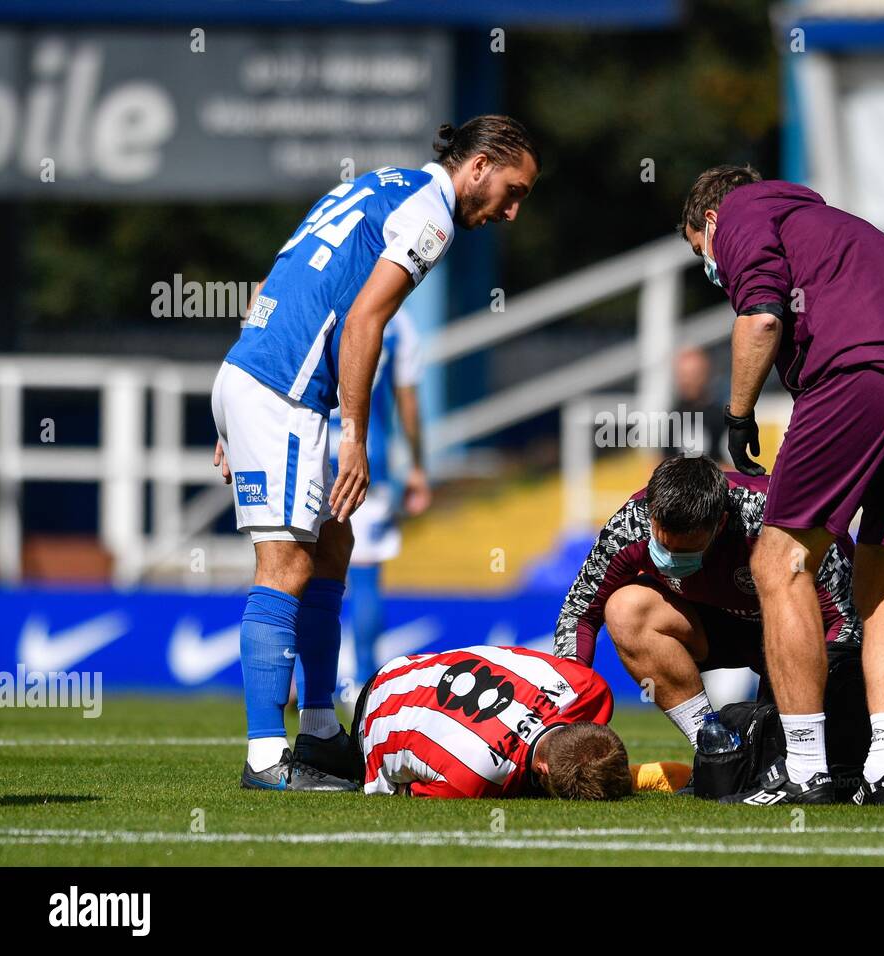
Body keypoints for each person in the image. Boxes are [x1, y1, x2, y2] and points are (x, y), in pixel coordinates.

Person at [210, 116, 540, 791]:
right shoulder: (432, 216)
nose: (510, 210)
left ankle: (322, 730)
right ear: (477, 167)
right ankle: (267, 757)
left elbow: (284, 274)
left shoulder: (374, 186)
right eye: (513, 190)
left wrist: (237, 397)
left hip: (263, 380)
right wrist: (356, 437)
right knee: (285, 563)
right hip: (283, 392)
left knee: (333, 544)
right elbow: (365, 321)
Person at [678, 165, 884, 805]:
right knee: (882, 581)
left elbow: (761, 318)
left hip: (861, 375)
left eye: (702, 252)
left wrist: (737, 412)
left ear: (712, 221)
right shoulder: (837, 227)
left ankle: (805, 768)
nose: (712, 265)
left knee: (779, 561)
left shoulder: (745, 211)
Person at [553, 454, 861, 753]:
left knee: (779, 747)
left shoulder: (777, 520)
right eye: (663, 541)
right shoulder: (630, 525)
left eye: (688, 549)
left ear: (721, 523)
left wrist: (815, 698)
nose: (672, 557)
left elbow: (847, 616)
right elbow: (579, 611)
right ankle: (714, 746)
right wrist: (566, 706)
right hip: (711, 631)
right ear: (651, 513)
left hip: (798, 636)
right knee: (625, 607)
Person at [352, 644, 633, 800]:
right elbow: (404, 791)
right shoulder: (475, 779)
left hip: (412, 665)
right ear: (543, 770)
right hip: (373, 713)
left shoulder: (586, 688)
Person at [321, 305, 432, 691]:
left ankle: (297, 679)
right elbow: (408, 403)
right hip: (368, 462)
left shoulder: (322, 300)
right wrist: (417, 466)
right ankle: (362, 684)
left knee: (295, 568)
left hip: (309, 453)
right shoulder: (397, 320)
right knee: (365, 574)